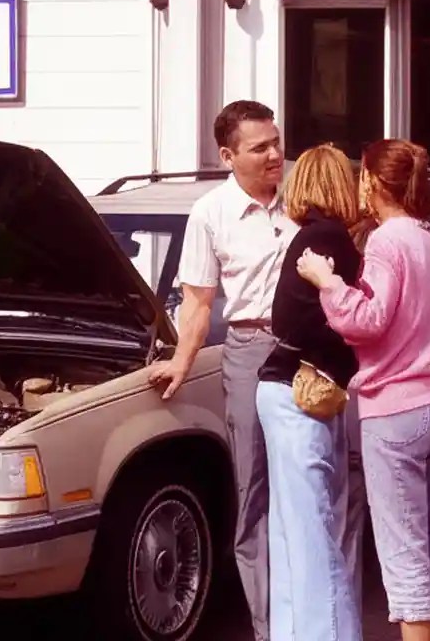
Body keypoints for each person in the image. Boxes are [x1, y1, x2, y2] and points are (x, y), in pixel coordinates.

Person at [296, 139, 430, 641]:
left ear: (374, 184)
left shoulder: (386, 242)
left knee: (405, 560)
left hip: (397, 411)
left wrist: (327, 283)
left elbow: (369, 320)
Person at [148, 99, 295, 641]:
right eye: (261, 147)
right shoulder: (209, 214)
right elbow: (198, 303)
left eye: (277, 141)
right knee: (254, 489)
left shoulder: (304, 198)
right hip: (252, 350)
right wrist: (181, 363)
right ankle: (269, 628)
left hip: (313, 352)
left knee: (322, 485)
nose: (276, 153)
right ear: (229, 155)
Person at [255, 143, 365, 641]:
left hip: (278, 391)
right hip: (301, 394)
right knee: (318, 537)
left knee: (292, 533)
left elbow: (284, 318)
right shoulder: (330, 238)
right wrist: (348, 342)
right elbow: (297, 320)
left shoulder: (306, 234)